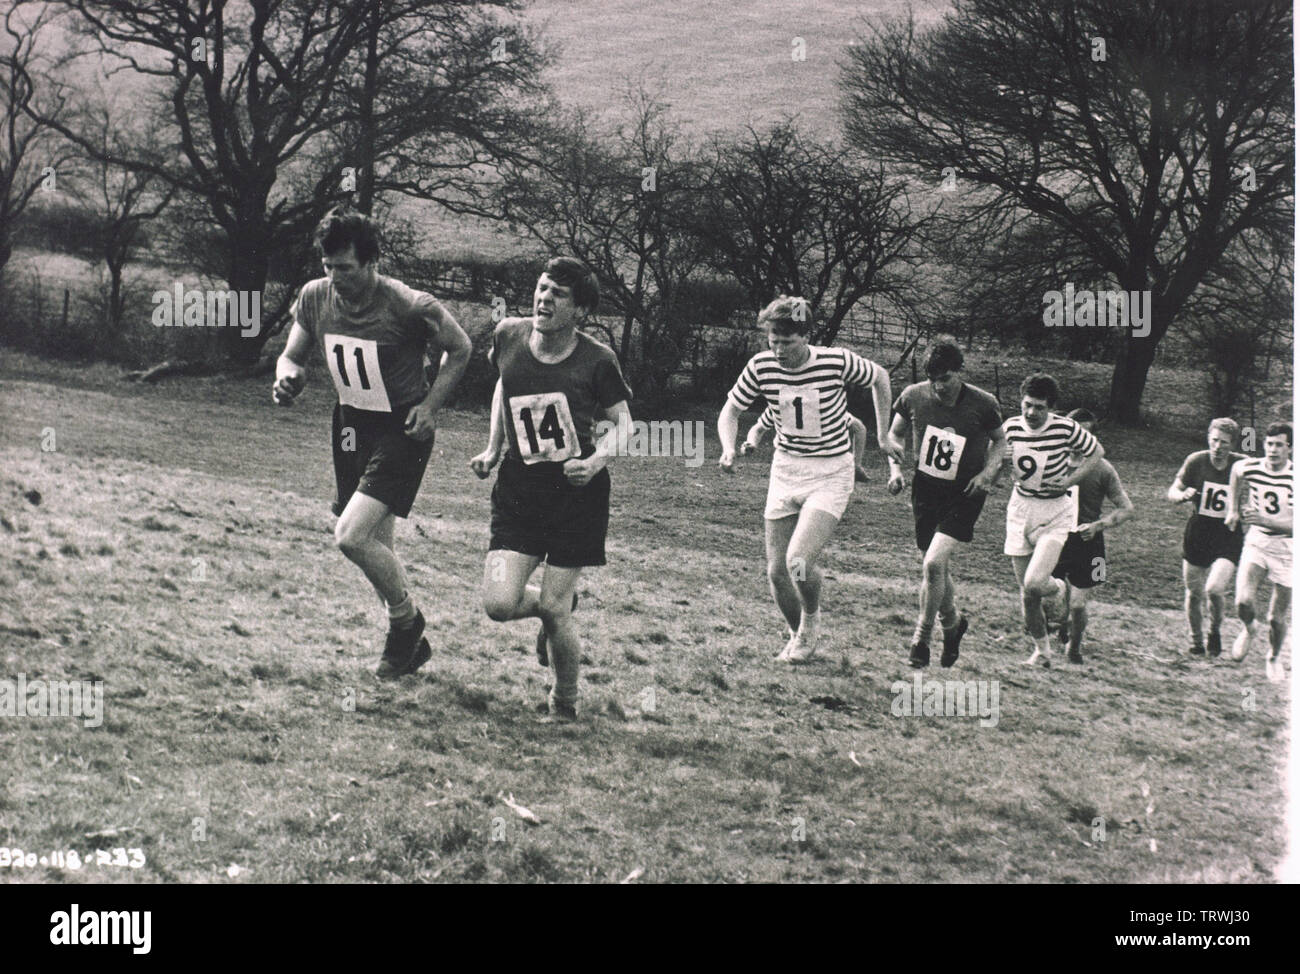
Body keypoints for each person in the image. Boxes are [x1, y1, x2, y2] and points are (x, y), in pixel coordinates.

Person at [272, 208, 471, 678]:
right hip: (350, 426)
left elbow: (460, 348)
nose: (335, 276)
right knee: (375, 544)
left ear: (372, 262)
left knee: (350, 535)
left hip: (402, 428)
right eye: (328, 265)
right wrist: (287, 379)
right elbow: (291, 356)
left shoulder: (408, 304)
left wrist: (431, 406)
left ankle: (406, 623)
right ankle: (411, 646)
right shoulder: (315, 297)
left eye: (345, 267)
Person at [470, 257, 633, 720]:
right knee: (499, 604)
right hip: (520, 490)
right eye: (542, 288)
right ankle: (554, 606)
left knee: (555, 608)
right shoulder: (508, 335)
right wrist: (492, 448)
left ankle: (564, 703)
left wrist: (596, 459)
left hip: (575, 496)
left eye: (558, 294)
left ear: (579, 310)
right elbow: (505, 387)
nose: (544, 298)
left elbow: (625, 425)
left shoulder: (598, 360)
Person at [717, 295, 899, 663]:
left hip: (830, 470)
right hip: (786, 469)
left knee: (798, 560)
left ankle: (811, 623)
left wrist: (883, 436)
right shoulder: (761, 367)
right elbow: (731, 410)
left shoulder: (834, 360)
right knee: (776, 571)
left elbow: (879, 376)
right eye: (773, 340)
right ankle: (797, 634)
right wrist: (728, 446)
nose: (779, 349)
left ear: (806, 336)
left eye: (788, 340)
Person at [884, 335, 1004, 668]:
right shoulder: (913, 396)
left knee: (933, 564)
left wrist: (987, 474)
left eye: (946, 378)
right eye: (934, 379)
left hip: (965, 492)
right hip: (926, 490)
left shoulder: (983, 403)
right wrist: (895, 468)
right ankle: (953, 624)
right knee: (936, 567)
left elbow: (1000, 442)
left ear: (960, 372)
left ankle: (921, 639)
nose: (939, 387)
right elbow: (895, 435)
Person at [1001, 373, 1105, 668]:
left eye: (1040, 407)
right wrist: (1001, 460)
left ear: (1051, 408)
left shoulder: (1065, 428)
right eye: (1027, 405)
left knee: (1035, 584)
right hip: (1021, 508)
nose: (1032, 413)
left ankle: (1057, 588)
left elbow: (1096, 452)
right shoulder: (1010, 428)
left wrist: (1069, 481)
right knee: (1027, 592)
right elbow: (996, 469)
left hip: (1056, 511)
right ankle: (1042, 652)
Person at [1050, 409, 1134, 663]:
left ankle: (1074, 648)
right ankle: (1059, 624)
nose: (1079, 439)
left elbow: (1127, 509)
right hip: (1054, 537)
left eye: (1085, 434)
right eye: (1075, 432)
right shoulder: (1053, 461)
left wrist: (1098, 525)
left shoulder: (1102, 468)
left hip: (1087, 542)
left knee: (1077, 603)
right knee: (1051, 598)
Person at [1167, 418, 1248, 657]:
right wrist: (1182, 495)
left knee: (1214, 589)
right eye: (1214, 440)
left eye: (1224, 442)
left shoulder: (1241, 464)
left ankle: (1214, 630)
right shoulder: (1196, 460)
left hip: (1228, 533)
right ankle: (1196, 641)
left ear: (1232, 444)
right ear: (1208, 438)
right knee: (1194, 592)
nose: (1218, 446)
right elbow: (1172, 491)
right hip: (1199, 531)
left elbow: (1262, 483)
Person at [1226, 422, 1293, 682]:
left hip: (1288, 550)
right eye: (1270, 444)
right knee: (1243, 601)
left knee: (1276, 618)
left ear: (1290, 448)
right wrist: (1233, 509)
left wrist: (1265, 520)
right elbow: (1235, 473)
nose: (1273, 450)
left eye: (1279, 445)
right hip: (1258, 543)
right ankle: (1248, 628)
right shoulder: (1252, 467)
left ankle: (1273, 657)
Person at [743, 407, 873, 483]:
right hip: (789, 469)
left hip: (824, 470)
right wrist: (750, 443)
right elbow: (758, 429)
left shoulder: (826, 406)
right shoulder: (779, 403)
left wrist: (856, 465)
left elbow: (859, 428)